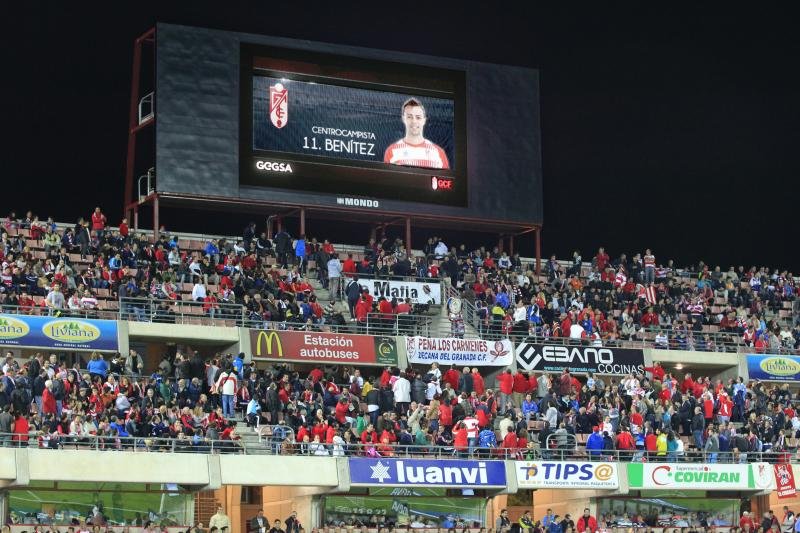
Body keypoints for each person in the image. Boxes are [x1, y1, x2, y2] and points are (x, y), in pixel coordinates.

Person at [383, 98, 450, 169]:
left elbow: (446, 179)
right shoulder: (392, 151)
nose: (414, 121)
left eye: (418, 117)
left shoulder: (438, 152)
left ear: (424, 120)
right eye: (409, 117)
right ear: (403, 118)